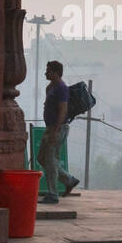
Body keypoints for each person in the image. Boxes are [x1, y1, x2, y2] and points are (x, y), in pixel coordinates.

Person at [37, 61, 79, 204]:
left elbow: (63, 110)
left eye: (48, 71)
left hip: (57, 128)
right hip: (50, 128)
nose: (46, 73)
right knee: (42, 158)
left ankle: (53, 194)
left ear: (56, 72)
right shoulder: (51, 87)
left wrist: (56, 129)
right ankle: (69, 180)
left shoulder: (62, 88)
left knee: (50, 160)